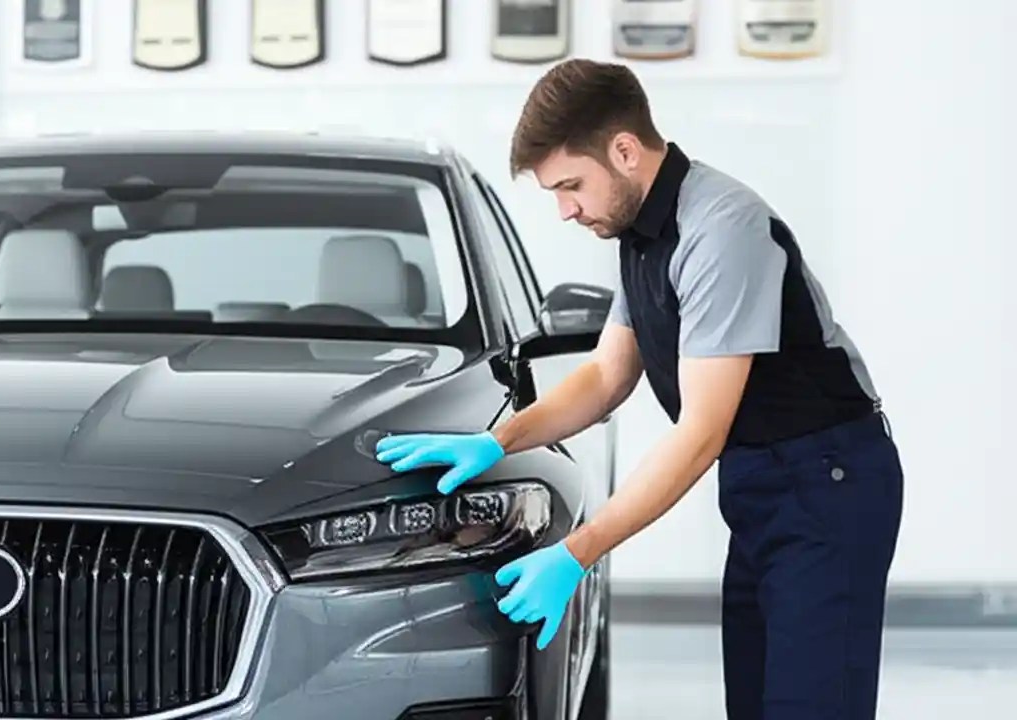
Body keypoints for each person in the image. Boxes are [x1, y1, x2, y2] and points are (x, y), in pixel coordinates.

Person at [373, 59, 904, 720]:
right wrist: (495, 441)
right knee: (758, 700)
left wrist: (577, 552)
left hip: (829, 481)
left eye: (571, 186)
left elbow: (700, 433)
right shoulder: (641, 233)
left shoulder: (721, 229)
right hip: (765, 484)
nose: (566, 210)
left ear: (624, 151)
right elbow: (604, 377)